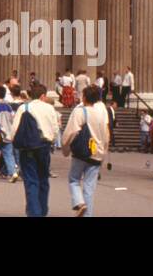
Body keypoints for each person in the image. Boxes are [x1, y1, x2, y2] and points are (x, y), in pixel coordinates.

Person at [10, 84, 59, 217]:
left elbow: (14, 129)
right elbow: (55, 129)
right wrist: (53, 140)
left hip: (28, 147)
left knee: (31, 180)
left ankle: (34, 212)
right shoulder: (49, 108)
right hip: (44, 146)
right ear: (43, 95)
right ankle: (42, 210)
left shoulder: (24, 107)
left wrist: (12, 141)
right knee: (43, 178)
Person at [62, 85, 110, 216]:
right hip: (97, 154)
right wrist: (104, 153)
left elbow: (71, 132)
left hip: (82, 152)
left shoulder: (80, 111)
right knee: (89, 187)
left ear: (84, 97)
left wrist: (65, 147)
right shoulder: (101, 114)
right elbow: (106, 135)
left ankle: (79, 203)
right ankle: (88, 214)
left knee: (74, 179)